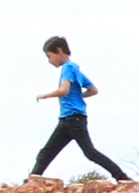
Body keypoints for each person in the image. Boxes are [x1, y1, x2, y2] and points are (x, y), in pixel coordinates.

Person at [30, 36, 129, 182]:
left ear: (59, 51)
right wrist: (78, 97)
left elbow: (64, 90)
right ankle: (31, 181)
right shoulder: (75, 69)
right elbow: (93, 90)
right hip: (67, 120)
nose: (49, 61)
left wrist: (45, 95)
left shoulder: (68, 68)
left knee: (90, 153)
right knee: (46, 153)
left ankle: (122, 178)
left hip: (73, 119)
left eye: (49, 56)